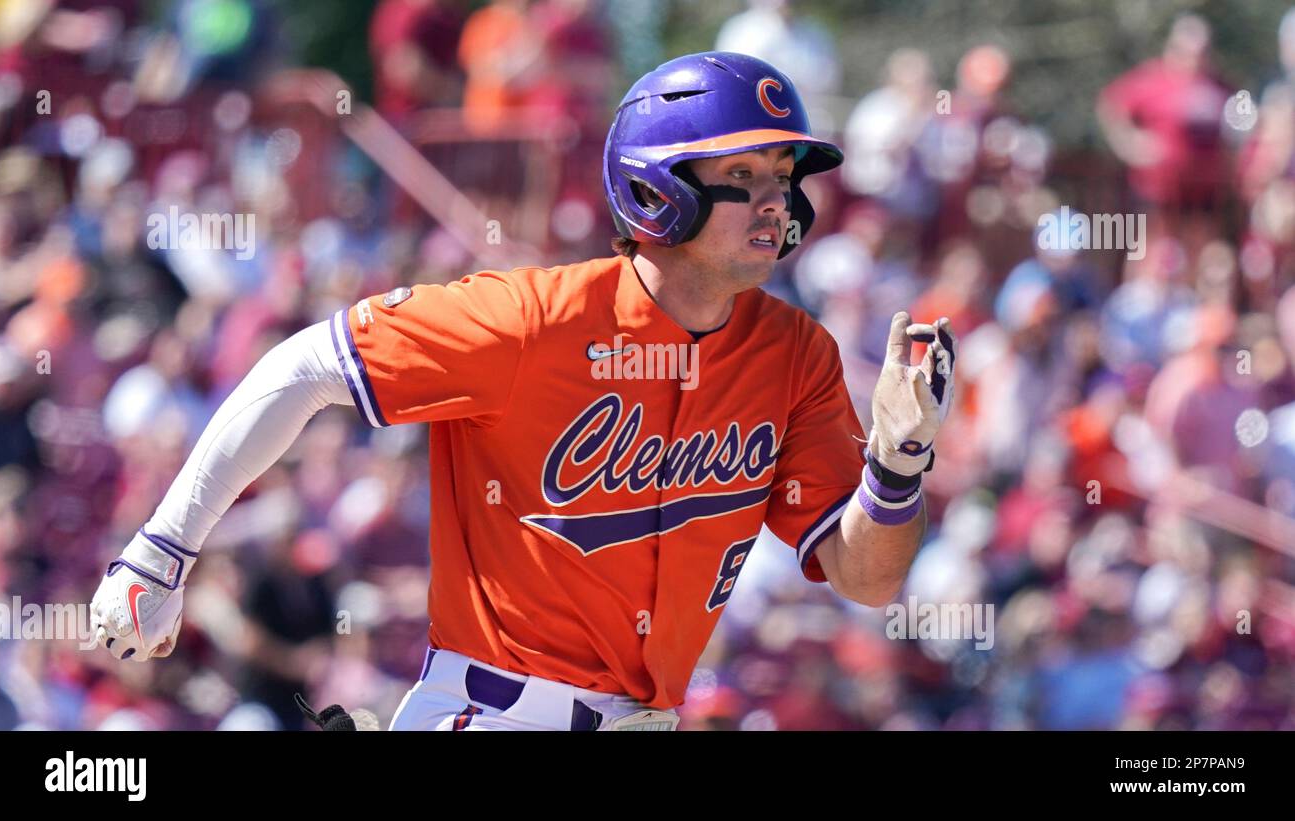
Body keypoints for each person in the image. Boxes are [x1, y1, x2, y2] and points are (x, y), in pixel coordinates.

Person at [83, 51, 958, 731]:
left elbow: (865, 578)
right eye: (745, 175)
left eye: (785, 175)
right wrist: (162, 550)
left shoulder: (796, 353)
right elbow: (305, 366)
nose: (778, 201)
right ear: (661, 189)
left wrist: (898, 462)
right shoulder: (530, 319)